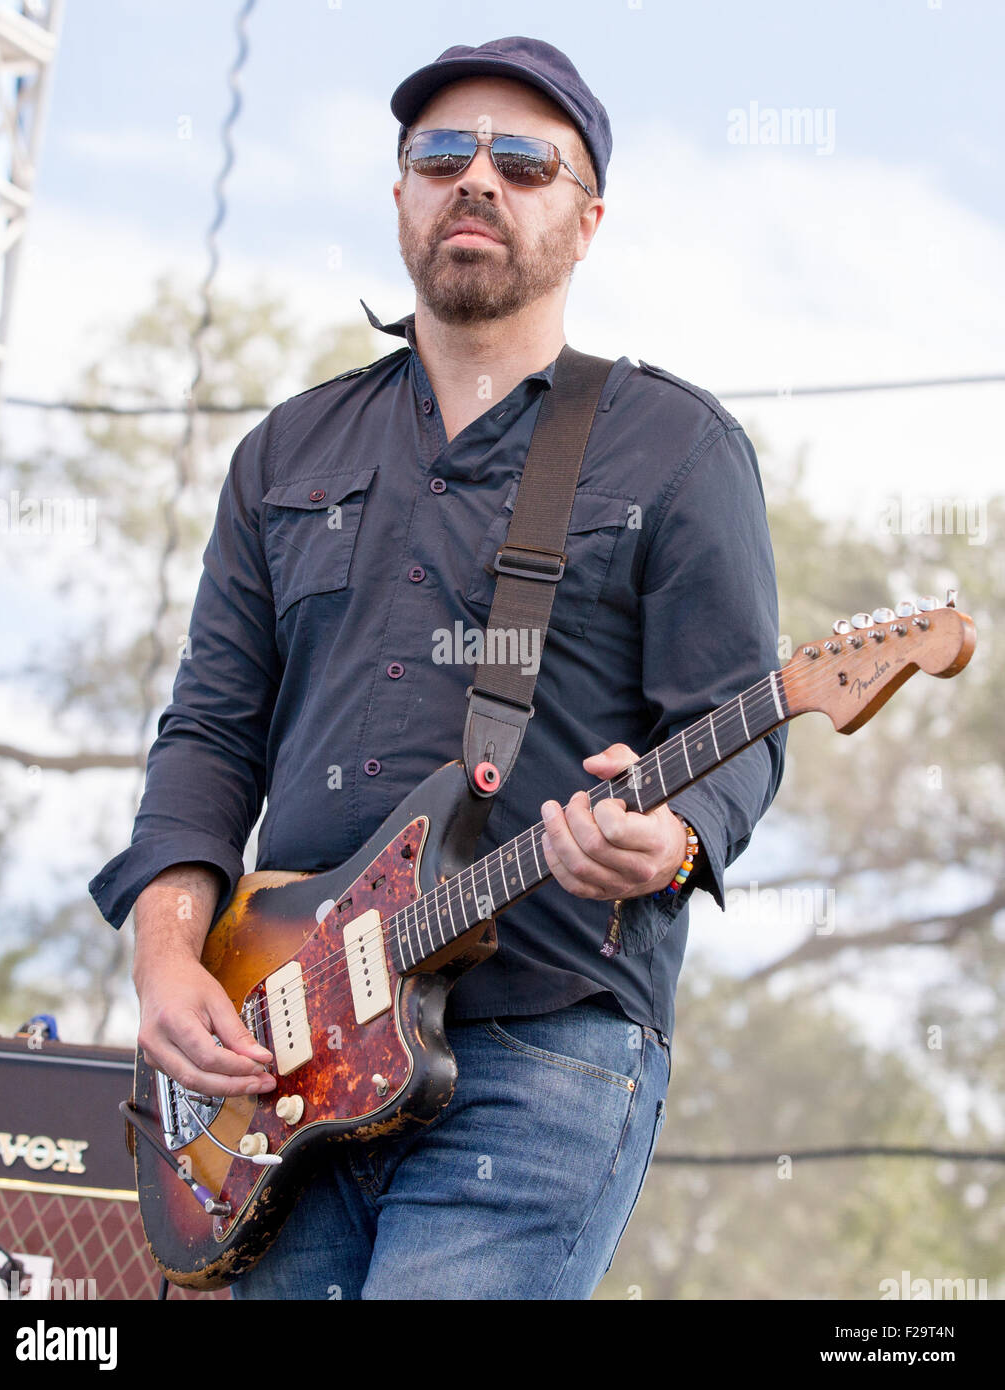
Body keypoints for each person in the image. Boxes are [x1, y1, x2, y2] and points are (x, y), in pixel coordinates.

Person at [89, 36, 786, 1300]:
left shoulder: (673, 447)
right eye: (440, 154)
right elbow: (206, 735)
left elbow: (739, 726)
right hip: (279, 1057)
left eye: (523, 162)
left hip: (539, 1045)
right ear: (401, 195)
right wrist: (168, 960)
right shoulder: (285, 450)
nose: (477, 178)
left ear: (584, 223)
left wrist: (674, 836)